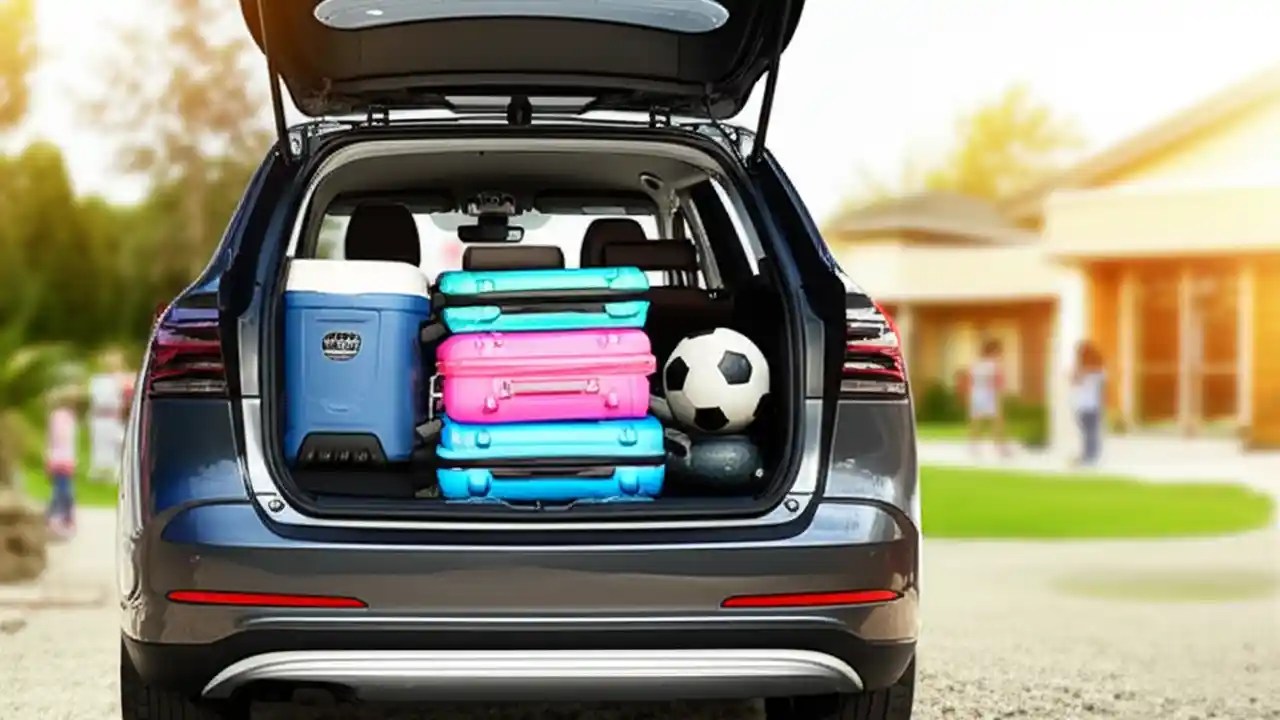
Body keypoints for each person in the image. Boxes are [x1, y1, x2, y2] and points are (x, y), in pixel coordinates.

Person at [87, 349, 129, 481]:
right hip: (100, 416)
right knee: (99, 443)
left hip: (115, 416)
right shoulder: (99, 380)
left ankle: (118, 470)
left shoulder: (123, 378)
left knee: (117, 443)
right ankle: (100, 470)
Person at [965, 338, 1009, 457]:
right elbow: (998, 383)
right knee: (997, 422)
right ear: (994, 351)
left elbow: (971, 381)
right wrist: (999, 398)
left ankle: (973, 447)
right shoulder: (994, 365)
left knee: (976, 422)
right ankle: (1000, 449)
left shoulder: (976, 364)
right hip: (989, 395)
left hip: (977, 395)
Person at [45, 386, 79, 538]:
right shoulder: (59, 417)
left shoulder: (68, 417)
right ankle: (57, 519)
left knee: (62, 491)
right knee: (63, 492)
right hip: (59, 460)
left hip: (65, 460)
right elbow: (56, 440)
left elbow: (69, 442)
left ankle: (59, 519)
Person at [1072, 341, 1106, 466]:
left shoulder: (1087, 371)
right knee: (1091, 432)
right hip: (1091, 405)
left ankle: (1088, 456)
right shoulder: (1099, 370)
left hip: (1086, 405)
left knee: (1088, 432)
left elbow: (1074, 380)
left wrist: (1078, 365)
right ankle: (1090, 455)